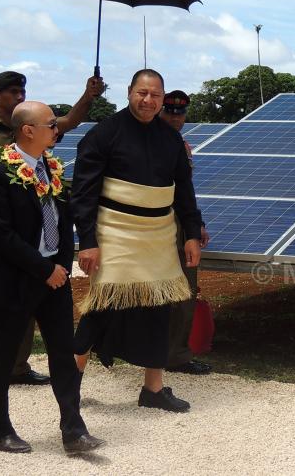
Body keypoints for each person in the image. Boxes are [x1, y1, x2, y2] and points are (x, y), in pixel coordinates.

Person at [0, 70, 105, 384]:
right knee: (0, 294)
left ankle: (17, 367)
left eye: (21, 91)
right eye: (11, 92)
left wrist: (88, 96)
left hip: (39, 231)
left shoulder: (42, 123)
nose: (18, 96)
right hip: (1, 230)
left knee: (29, 295)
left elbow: (71, 120)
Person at [73, 69, 203, 413]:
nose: (148, 100)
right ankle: (70, 382)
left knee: (160, 308)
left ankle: (153, 388)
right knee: (101, 306)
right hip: (114, 231)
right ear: (130, 92)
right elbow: (83, 192)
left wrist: (191, 233)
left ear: (161, 99)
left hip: (159, 233)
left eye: (155, 95)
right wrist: (87, 240)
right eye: (142, 93)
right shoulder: (104, 134)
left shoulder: (171, 139)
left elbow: (184, 191)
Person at [0, 101, 104, 454]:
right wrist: (43, 268)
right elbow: (3, 235)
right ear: (28, 130)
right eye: (51, 124)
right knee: (4, 353)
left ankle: (74, 429)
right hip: (18, 277)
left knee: (63, 353)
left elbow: (62, 221)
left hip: (55, 275)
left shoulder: (51, 166)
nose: (57, 129)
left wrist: (61, 266)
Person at [159, 90, 211, 375]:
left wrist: (195, 225)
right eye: (169, 112)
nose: (175, 117)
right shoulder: (147, 141)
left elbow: (185, 192)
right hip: (151, 228)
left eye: (180, 113)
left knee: (185, 291)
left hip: (179, 229)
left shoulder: (182, 146)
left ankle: (176, 356)